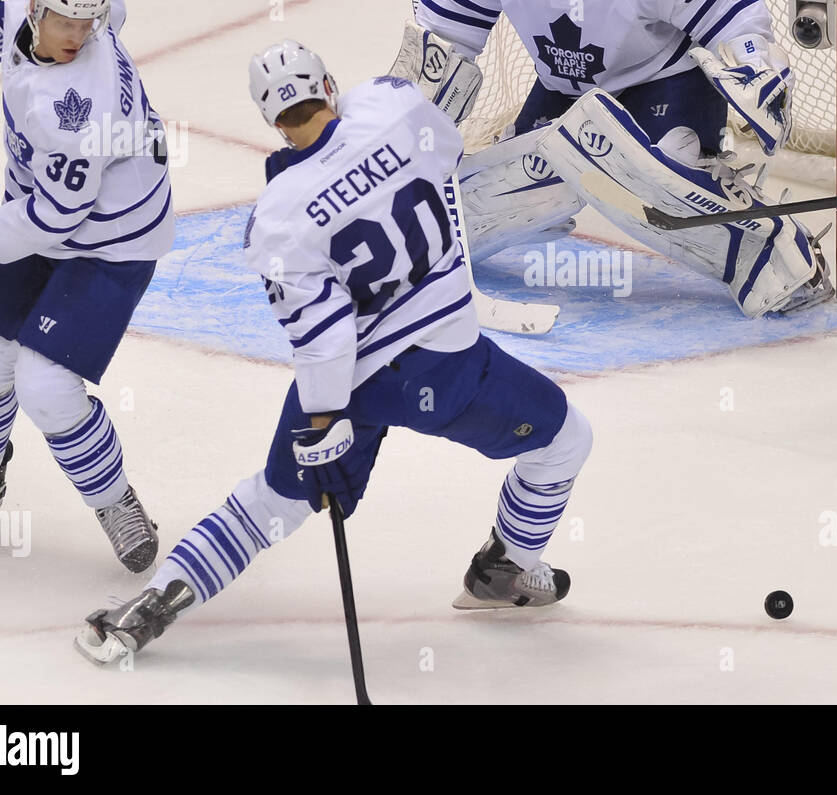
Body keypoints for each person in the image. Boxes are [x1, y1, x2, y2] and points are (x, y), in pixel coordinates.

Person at [75, 41, 592, 664]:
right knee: (564, 438)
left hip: (352, 387)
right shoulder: (393, 104)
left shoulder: (276, 216)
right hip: (449, 367)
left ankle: (148, 609)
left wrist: (321, 420)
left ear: (269, 118)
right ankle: (506, 569)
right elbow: (447, 151)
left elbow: (321, 335)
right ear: (329, 83)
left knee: (276, 501)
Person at [397, 0, 831, 318]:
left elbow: (729, 2)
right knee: (503, 186)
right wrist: (417, 114)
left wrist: (754, 62)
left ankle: (779, 250)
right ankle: (434, 244)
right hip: (566, 88)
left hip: (664, 81)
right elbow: (444, 37)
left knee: (658, 183)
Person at [0, 0, 173, 569]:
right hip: (41, 210)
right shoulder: (53, 3)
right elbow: (96, 1)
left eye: (86, 23)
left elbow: (53, 217)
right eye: (65, 20)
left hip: (111, 239)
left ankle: (116, 502)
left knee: (45, 382)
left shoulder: (78, 109)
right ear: (37, 7)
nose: (79, 35)